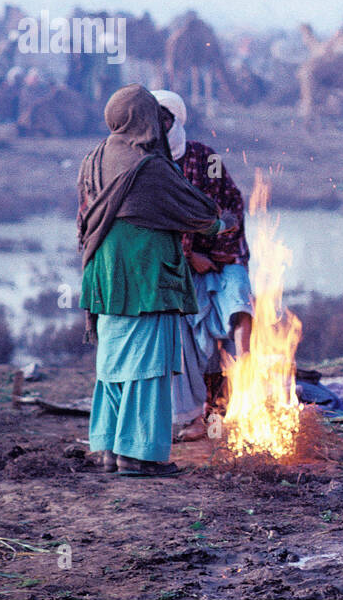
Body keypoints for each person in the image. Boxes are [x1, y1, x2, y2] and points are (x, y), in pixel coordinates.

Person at [77, 85, 236, 476]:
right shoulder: (149, 166)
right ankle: (139, 455)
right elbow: (195, 209)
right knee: (146, 367)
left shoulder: (94, 157)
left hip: (104, 274)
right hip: (145, 276)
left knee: (113, 365)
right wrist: (219, 224)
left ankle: (108, 450)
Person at [150, 90, 253, 441]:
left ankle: (231, 410)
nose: (161, 128)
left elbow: (231, 206)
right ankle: (194, 417)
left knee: (235, 315)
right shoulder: (148, 164)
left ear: (176, 121)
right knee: (188, 344)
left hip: (220, 260)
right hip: (175, 269)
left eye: (166, 120)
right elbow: (156, 224)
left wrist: (214, 252)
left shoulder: (204, 157)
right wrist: (189, 255)